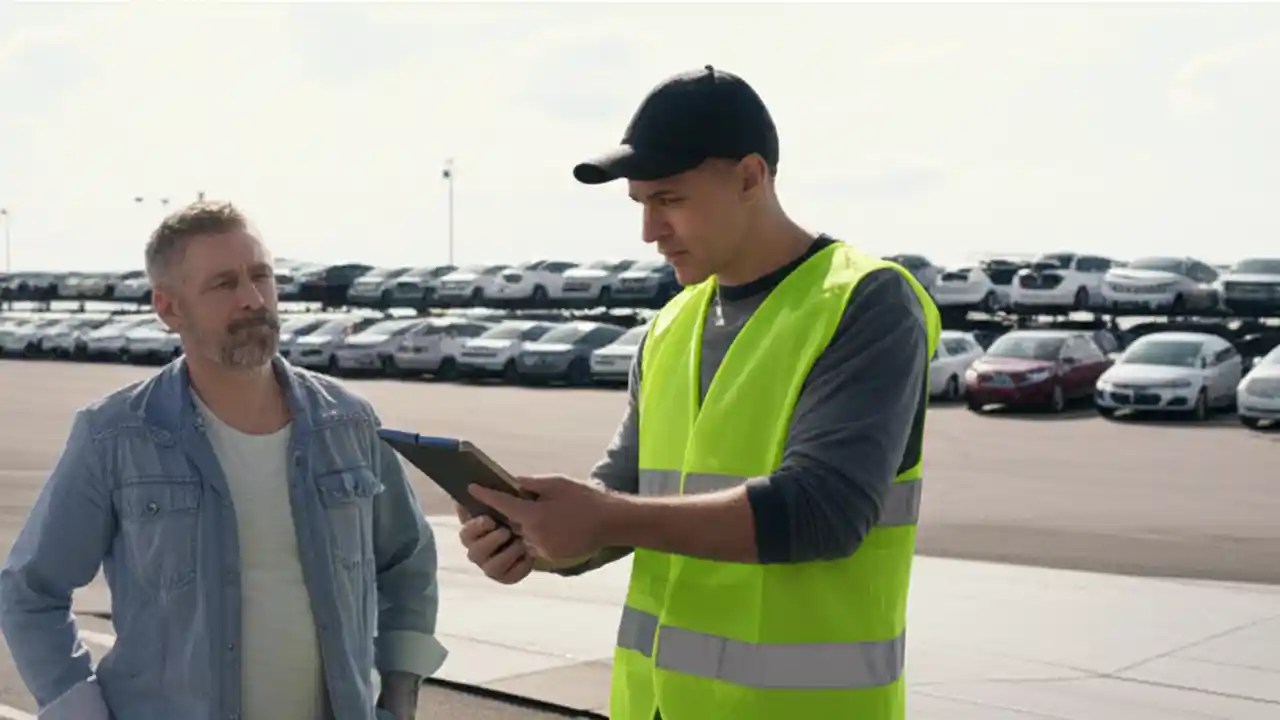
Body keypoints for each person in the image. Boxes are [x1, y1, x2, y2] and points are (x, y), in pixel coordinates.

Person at [456, 65, 941, 720]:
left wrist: (601, 517)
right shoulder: (671, 325)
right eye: (641, 204)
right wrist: (535, 540)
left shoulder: (865, 301)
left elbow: (824, 510)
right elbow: (621, 498)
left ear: (750, 178)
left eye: (669, 199)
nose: (649, 230)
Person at [0, 201, 446, 720]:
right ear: (169, 309)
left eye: (262, 276)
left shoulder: (347, 423)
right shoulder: (115, 436)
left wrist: (399, 699)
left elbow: (408, 562)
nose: (253, 299)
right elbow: (30, 591)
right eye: (224, 284)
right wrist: (80, 712)